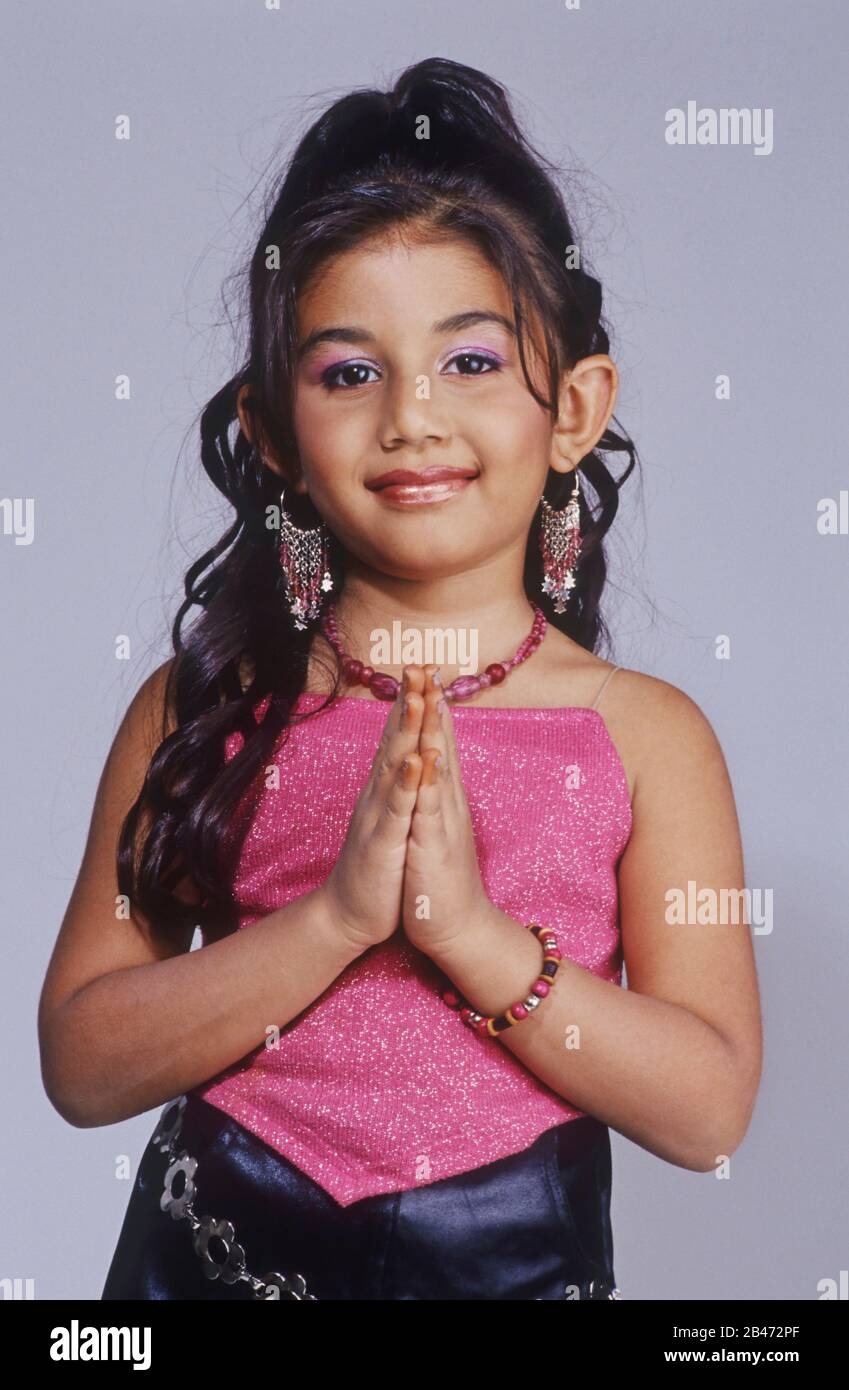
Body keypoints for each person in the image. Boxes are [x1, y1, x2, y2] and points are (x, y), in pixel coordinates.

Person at [38, 56, 762, 1301]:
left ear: (576, 406)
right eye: (348, 371)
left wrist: (478, 943)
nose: (412, 416)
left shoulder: (643, 736)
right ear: (271, 431)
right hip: (213, 1257)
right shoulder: (201, 704)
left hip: (512, 1261)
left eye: (472, 362)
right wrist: (335, 919)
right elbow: (85, 1062)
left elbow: (708, 1112)